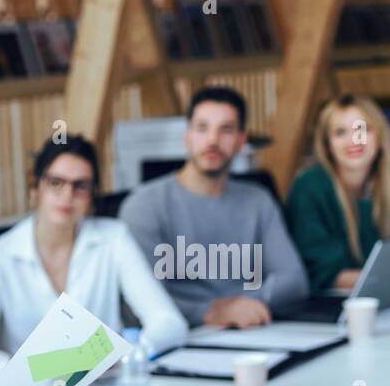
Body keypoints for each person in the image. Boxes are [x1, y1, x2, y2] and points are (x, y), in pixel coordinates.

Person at [0, 135, 187, 386]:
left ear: (92, 195)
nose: (67, 195)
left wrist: (125, 356)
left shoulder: (114, 238)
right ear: (35, 188)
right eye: (56, 183)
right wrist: (22, 374)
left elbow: (170, 323)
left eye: (80, 186)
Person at [120, 86, 308, 329]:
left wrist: (241, 306)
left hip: (251, 329)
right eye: (202, 128)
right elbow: (136, 303)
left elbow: (294, 280)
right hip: (180, 338)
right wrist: (209, 313)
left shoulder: (258, 201)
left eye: (226, 130)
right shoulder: (144, 205)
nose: (212, 140)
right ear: (187, 137)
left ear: (241, 141)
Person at [286, 93, 390, 295]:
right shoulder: (309, 188)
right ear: (327, 145)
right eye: (340, 132)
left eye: (363, 129)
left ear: (379, 137)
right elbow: (322, 271)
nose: (354, 140)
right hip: (329, 304)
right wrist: (386, 280)